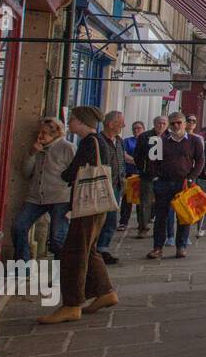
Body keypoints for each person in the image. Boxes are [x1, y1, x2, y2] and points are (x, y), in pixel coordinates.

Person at [39, 106, 118, 324]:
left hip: (87, 205)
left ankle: (72, 304)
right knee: (88, 249)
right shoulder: (99, 141)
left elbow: (71, 172)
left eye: (72, 119)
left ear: (82, 122)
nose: (70, 123)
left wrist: (63, 173)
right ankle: (105, 292)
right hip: (97, 205)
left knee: (74, 252)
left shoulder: (89, 142)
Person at [11, 118, 75, 262]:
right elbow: (26, 173)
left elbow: (76, 173)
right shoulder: (37, 148)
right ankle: (23, 266)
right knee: (18, 227)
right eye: (39, 132)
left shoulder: (67, 148)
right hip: (36, 197)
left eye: (44, 133)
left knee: (57, 238)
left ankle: (65, 272)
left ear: (56, 133)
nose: (40, 136)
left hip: (60, 197)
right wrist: (32, 154)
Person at [148, 111, 205, 260]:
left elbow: (200, 161)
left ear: (185, 123)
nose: (176, 126)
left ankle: (181, 247)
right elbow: (152, 162)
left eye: (179, 122)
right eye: (172, 123)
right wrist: (155, 178)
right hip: (163, 183)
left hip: (183, 183)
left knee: (184, 216)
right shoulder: (158, 140)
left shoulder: (195, 141)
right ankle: (157, 248)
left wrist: (192, 177)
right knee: (161, 217)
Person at [96, 110, 126, 265]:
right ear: (110, 124)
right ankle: (97, 249)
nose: (124, 125)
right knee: (102, 219)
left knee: (111, 220)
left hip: (117, 185)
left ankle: (102, 248)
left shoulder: (119, 141)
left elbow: (122, 158)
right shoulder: (98, 141)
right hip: (102, 186)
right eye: (121, 122)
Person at [133, 114, 166, 237]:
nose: (161, 125)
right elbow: (138, 155)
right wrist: (143, 169)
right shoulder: (144, 136)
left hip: (164, 176)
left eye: (163, 123)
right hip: (148, 175)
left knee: (162, 203)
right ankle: (143, 227)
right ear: (154, 124)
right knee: (145, 202)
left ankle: (161, 228)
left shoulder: (169, 137)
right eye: (159, 123)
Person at [119, 120, 144, 232]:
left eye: (139, 128)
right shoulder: (127, 141)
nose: (136, 130)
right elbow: (123, 155)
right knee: (127, 199)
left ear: (143, 129)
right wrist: (136, 161)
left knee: (141, 201)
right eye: (134, 128)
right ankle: (123, 222)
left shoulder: (146, 141)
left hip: (142, 174)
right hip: (129, 173)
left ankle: (141, 223)